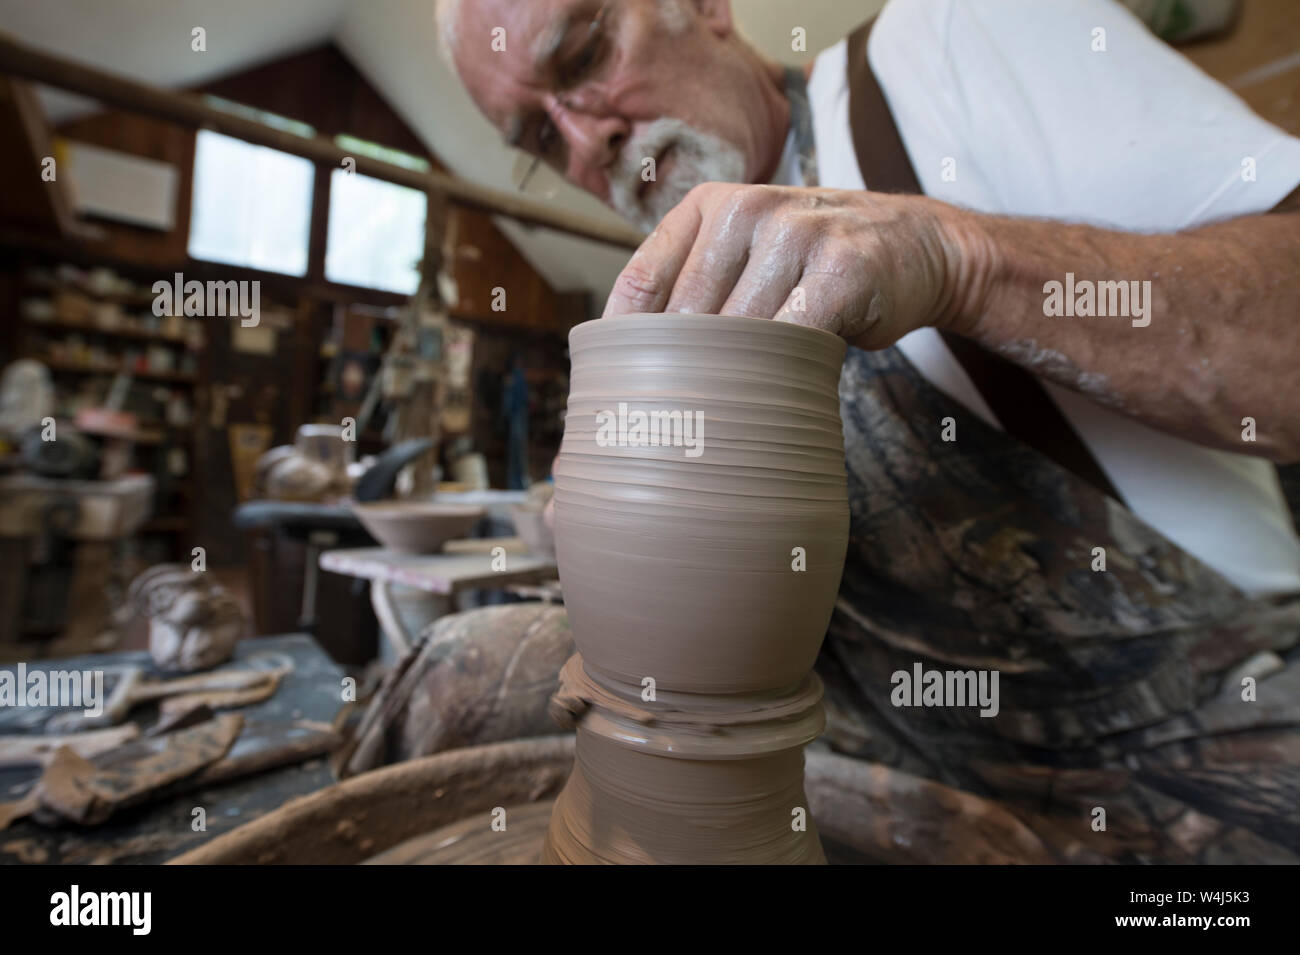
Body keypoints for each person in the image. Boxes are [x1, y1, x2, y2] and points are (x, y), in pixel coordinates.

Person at [350, 0, 1300, 861]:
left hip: (1179, 754)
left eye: (587, 50)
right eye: (536, 139)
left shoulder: (953, 47)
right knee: (459, 675)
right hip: (875, 738)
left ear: (706, 7)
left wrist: (963, 261)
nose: (585, 138)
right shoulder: (664, 296)